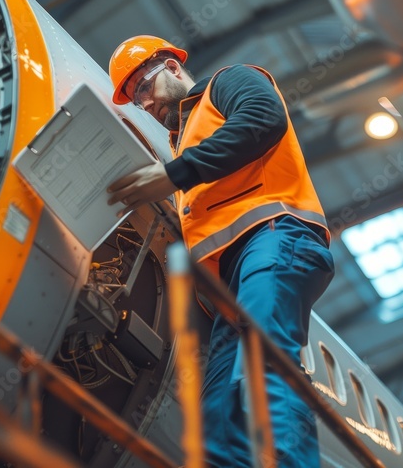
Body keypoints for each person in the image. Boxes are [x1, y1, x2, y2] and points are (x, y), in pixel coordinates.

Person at [105, 35, 335, 467]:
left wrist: (176, 173)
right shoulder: (183, 143)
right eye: (135, 99)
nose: (145, 104)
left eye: (143, 88)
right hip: (229, 288)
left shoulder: (230, 83)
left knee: (263, 366)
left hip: (273, 237)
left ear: (172, 68)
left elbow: (263, 119)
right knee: (219, 416)